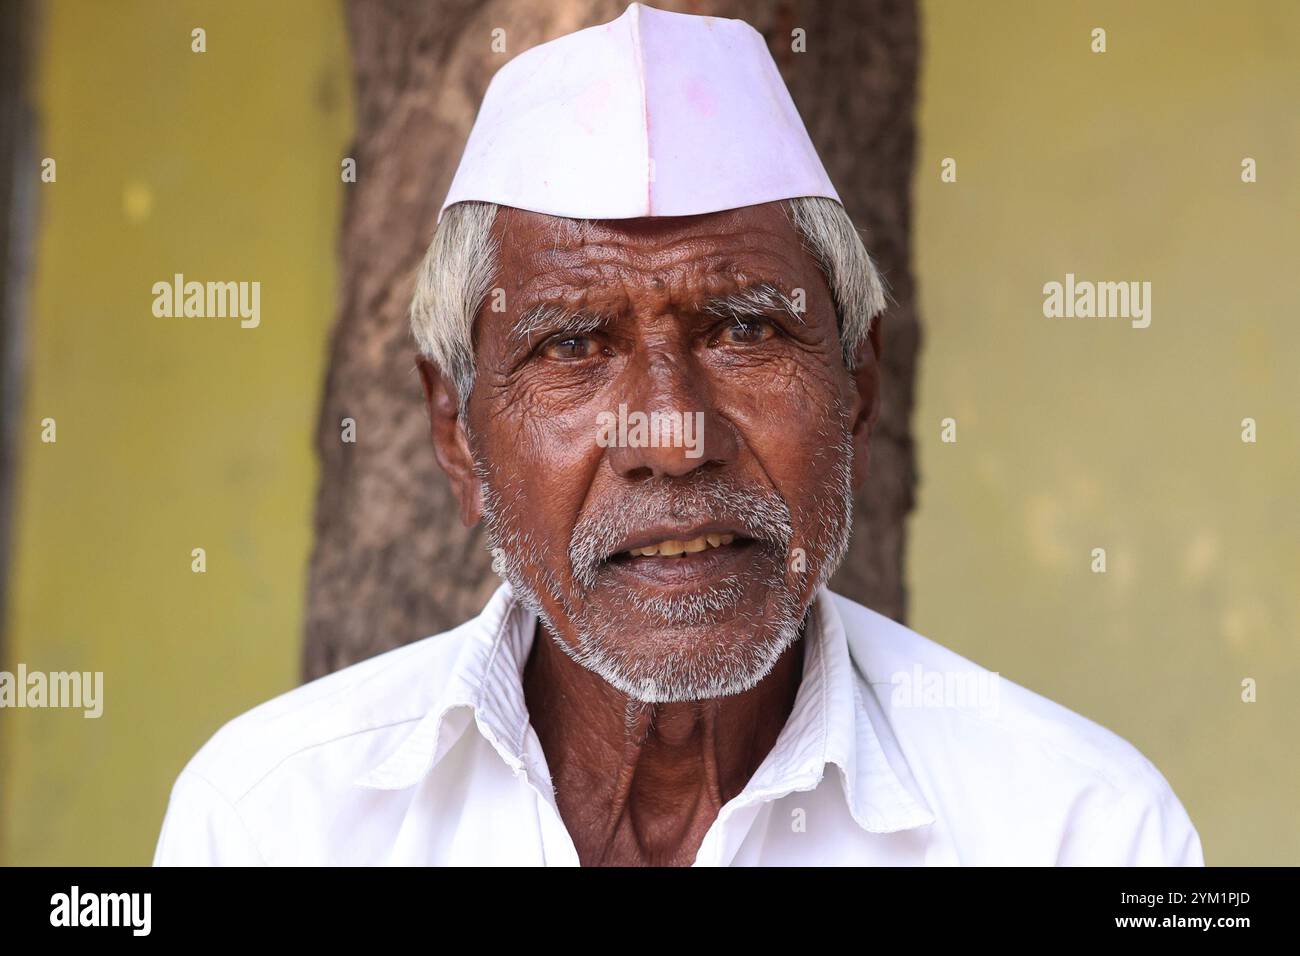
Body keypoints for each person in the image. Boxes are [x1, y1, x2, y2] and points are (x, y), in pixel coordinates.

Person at [154, 3, 1202, 866]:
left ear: (859, 388)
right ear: (457, 430)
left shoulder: (1077, 829)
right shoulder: (274, 820)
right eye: (572, 344)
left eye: (746, 328)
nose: (672, 434)